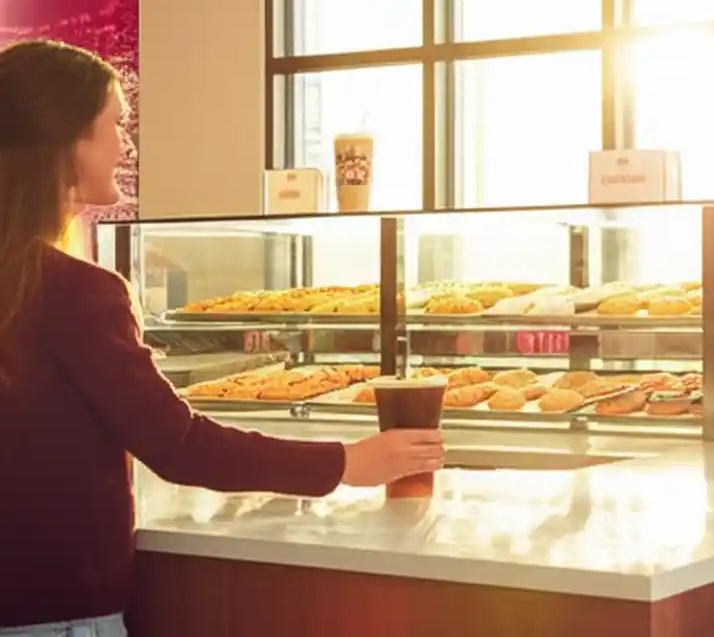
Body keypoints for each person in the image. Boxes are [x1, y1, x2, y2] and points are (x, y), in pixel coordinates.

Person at [0, 40, 446, 635]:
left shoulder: (27, 282)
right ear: (69, 139)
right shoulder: (75, 291)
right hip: (58, 618)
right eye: (116, 125)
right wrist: (347, 463)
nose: (126, 146)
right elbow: (179, 444)